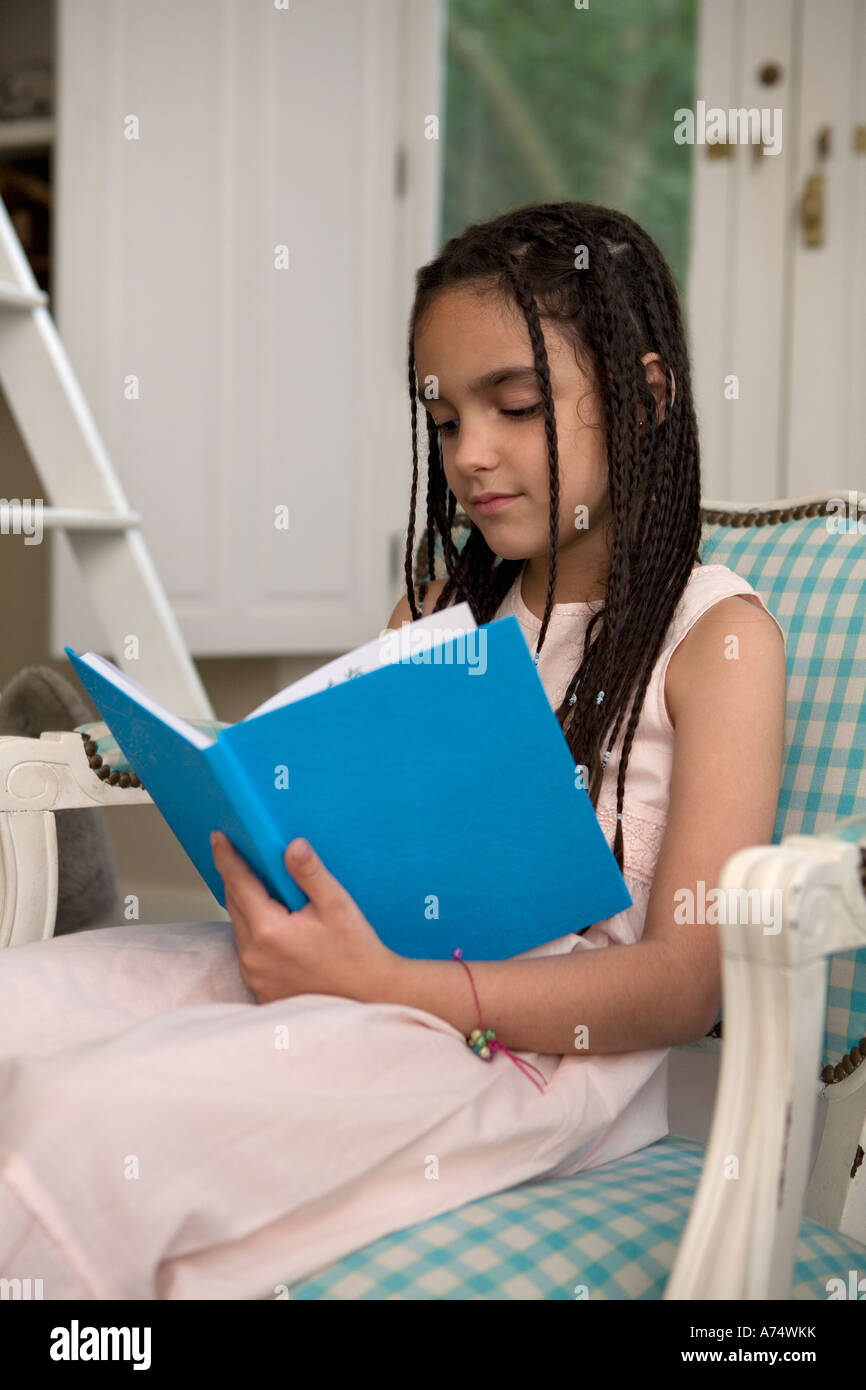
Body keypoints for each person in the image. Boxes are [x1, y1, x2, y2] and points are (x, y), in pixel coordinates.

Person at [0, 201, 786, 1300]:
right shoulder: (440, 606)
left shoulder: (717, 641)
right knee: (18, 1003)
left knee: (88, 1122)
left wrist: (386, 981)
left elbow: (680, 982)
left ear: (646, 396)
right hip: (354, 973)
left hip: (523, 1048)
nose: (470, 454)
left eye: (513, 407)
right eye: (443, 417)